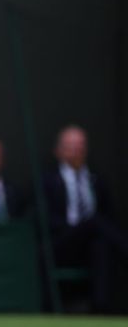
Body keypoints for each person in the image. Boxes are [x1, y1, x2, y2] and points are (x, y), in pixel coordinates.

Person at [44, 125, 128, 312]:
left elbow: (110, 216)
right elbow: (46, 218)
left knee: (101, 243)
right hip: (62, 241)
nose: (77, 150)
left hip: (91, 242)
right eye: (71, 146)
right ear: (58, 151)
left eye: (81, 145)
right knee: (94, 222)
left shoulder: (97, 179)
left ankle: (100, 308)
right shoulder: (47, 181)